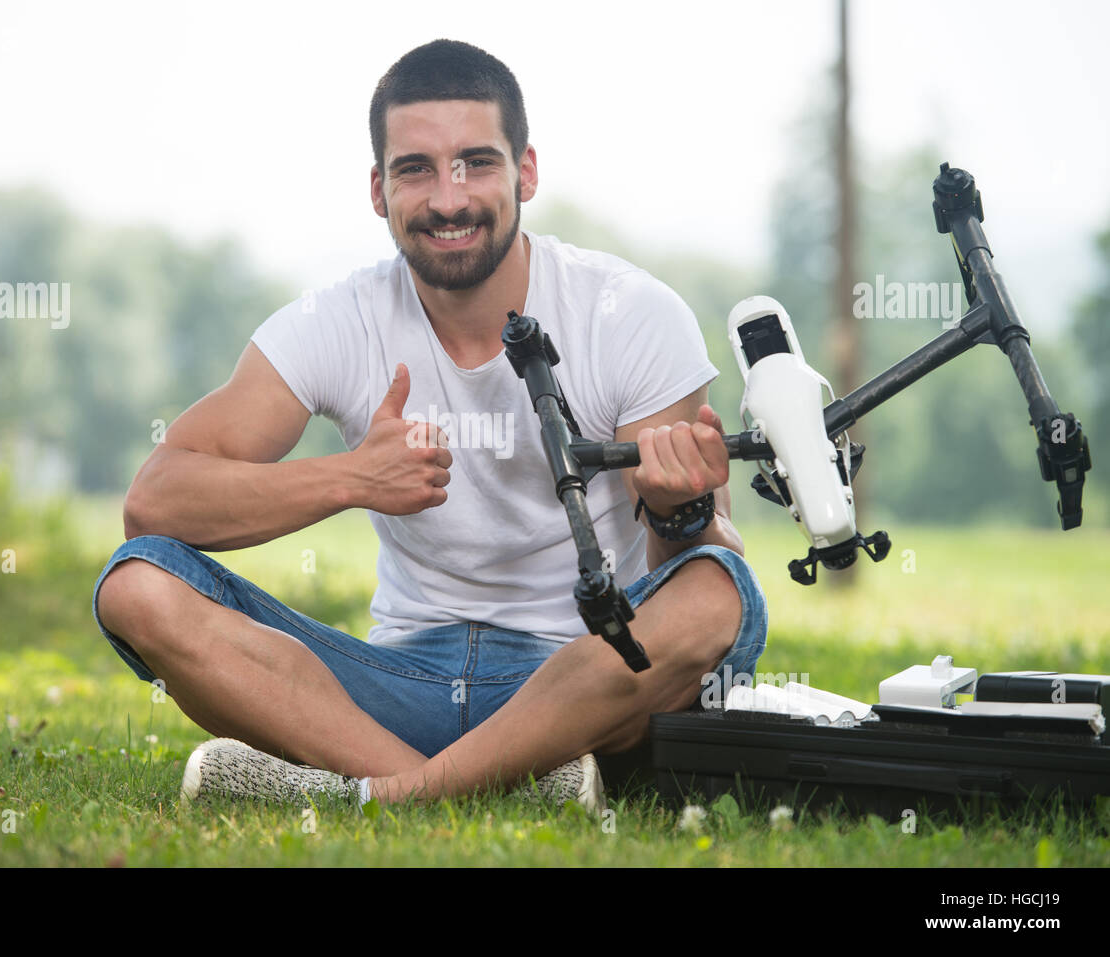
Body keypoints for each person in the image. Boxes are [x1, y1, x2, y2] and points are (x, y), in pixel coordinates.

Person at [92, 38, 768, 812]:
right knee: (137, 585)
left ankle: (390, 791)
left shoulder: (632, 312)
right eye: (416, 169)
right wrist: (351, 478)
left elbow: (706, 557)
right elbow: (156, 501)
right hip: (400, 683)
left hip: (586, 671)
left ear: (528, 171)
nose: (449, 198)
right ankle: (491, 785)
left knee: (719, 591)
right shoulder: (336, 319)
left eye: (476, 162)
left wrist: (678, 511)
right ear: (379, 190)